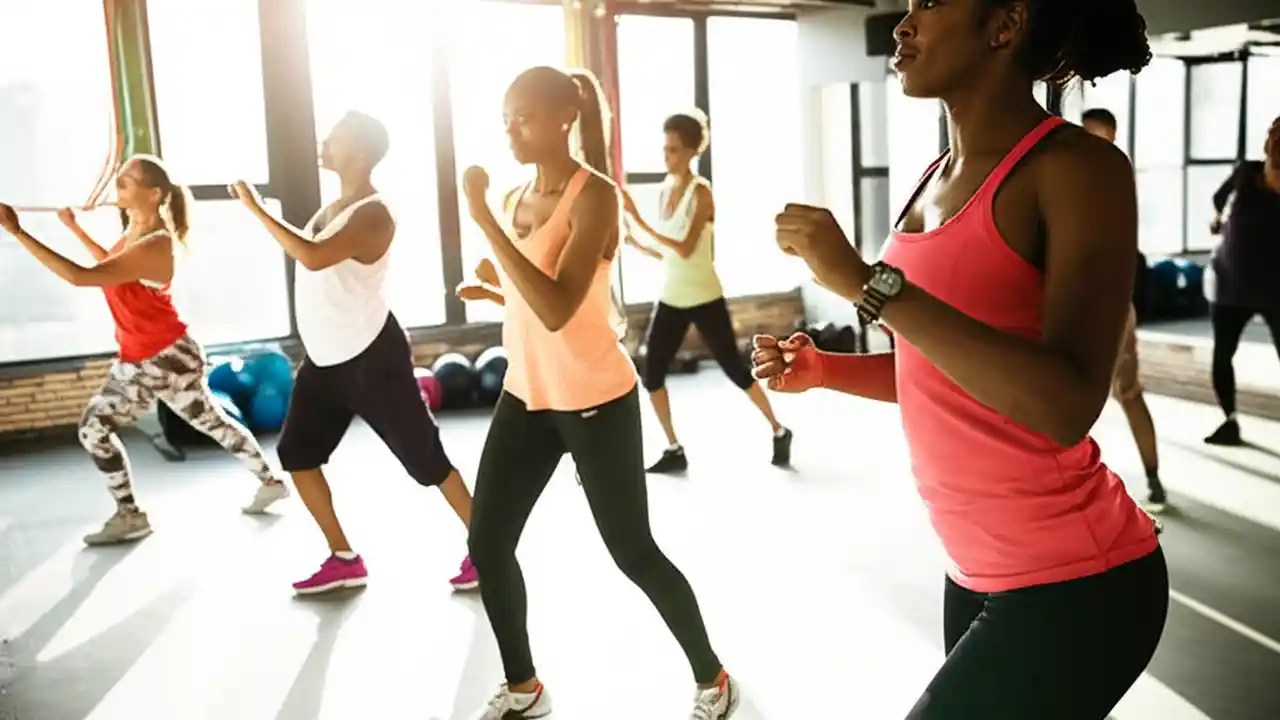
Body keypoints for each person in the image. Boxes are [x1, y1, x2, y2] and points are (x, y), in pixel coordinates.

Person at [754, 1, 1166, 717]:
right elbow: (941, 370)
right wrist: (827, 370)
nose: (902, 25)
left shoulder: (1076, 169)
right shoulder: (933, 175)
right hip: (974, 570)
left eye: (931, 4)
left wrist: (862, 282)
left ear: (1004, 26)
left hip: (1078, 583)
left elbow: (1067, 404)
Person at [458, 67, 738, 720]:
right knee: (487, 542)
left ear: (562, 116)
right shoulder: (514, 196)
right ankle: (524, 686)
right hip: (527, 394)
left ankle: (713, 674)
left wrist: (480, 221)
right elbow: (541, 294)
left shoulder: (595, 196)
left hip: (594, 399)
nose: (510, 129)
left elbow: (559, 307)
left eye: (522, 115)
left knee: (632, 551)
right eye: (504, 116)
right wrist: (497, 292)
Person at [228, 111, 477, 594]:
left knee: (426, 460)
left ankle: (488, 547)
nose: (324, 141)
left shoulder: (373, 212)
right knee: (297, 453)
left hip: (371, 358)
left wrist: (258, 210)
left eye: (335, 137)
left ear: (360, 152)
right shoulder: (334, 206)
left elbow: (314, 255)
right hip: (324, 362)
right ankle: (343, 557)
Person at [0, 156, 289, 546]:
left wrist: (17, 232)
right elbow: (110, 266)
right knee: (213, 422)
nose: (118, 183)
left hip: (157, 357)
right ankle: (271, 482)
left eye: (127, 179)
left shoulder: (156, 243)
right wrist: (74, 229)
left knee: (93, 428)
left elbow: (81, 277)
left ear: (154, 194)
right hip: (167, 352)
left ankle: (130, 515)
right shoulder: (134, 236)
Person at [619, 110, 792, 474]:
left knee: (733, 368)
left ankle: (778, 430)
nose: (668, 157)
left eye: (675, 150)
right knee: (651, 372)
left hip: (704, 294)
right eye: (665, 149)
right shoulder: (666, 188)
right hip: (671, 295)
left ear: (693, 150)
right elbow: (667, 252)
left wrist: (636, 217)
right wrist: (637, 243)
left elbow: (683, 247)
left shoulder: (702, 193)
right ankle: (673, 447)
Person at [1081, 107, 1166, 512]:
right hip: (1079, 298)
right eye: (1089, 136)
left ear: (1113, 136)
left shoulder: (1112, 178)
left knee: (1128, 393)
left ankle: (1153, 477)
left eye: (1102, 136)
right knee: (1070, 395)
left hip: (1110, 301)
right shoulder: (1072, 175)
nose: (1095, 144)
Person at [1202, 115, 1280, 446]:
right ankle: (1229, 420)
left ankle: (1229, 420)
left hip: (1275, 288)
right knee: (1223, 355)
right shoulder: (1246, 172)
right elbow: (1219, 204)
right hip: (1231, 283)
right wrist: (1219, 219)